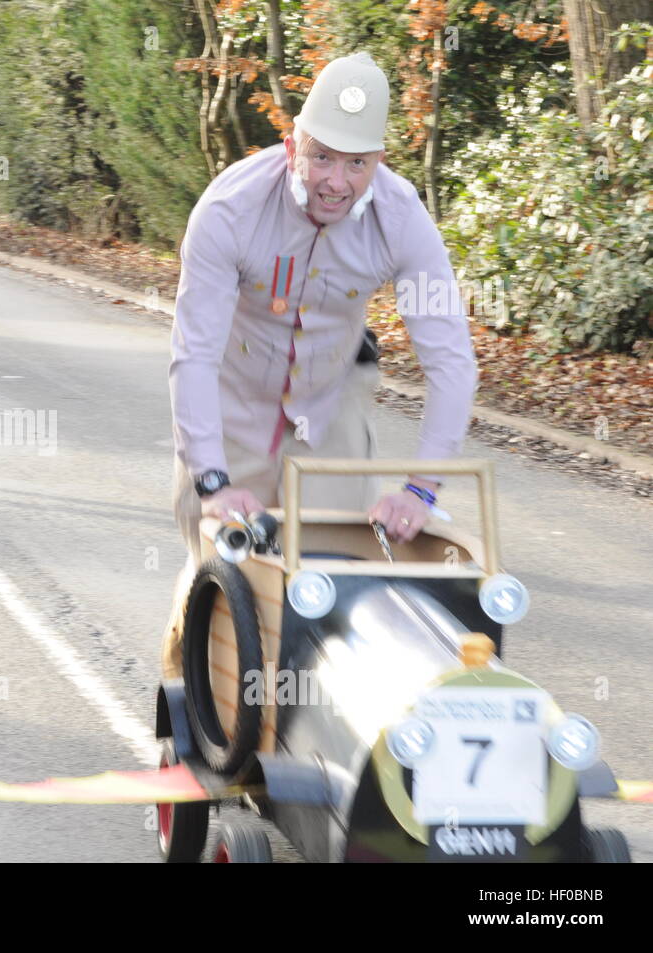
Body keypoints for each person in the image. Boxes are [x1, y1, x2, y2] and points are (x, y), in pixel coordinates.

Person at [161, 52, 479, 677]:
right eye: (323, 156)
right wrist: (212, 482)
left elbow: (451, 363)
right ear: (292, 148)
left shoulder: (402, 220)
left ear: (378, 164)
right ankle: (187, 717)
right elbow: (193, 353)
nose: (337, 180)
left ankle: (310, 752)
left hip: (330, 404)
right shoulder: (228, 211)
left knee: (334, 589)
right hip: (233, 402)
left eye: (356, 162)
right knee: (225, 580)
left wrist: (422, 489)